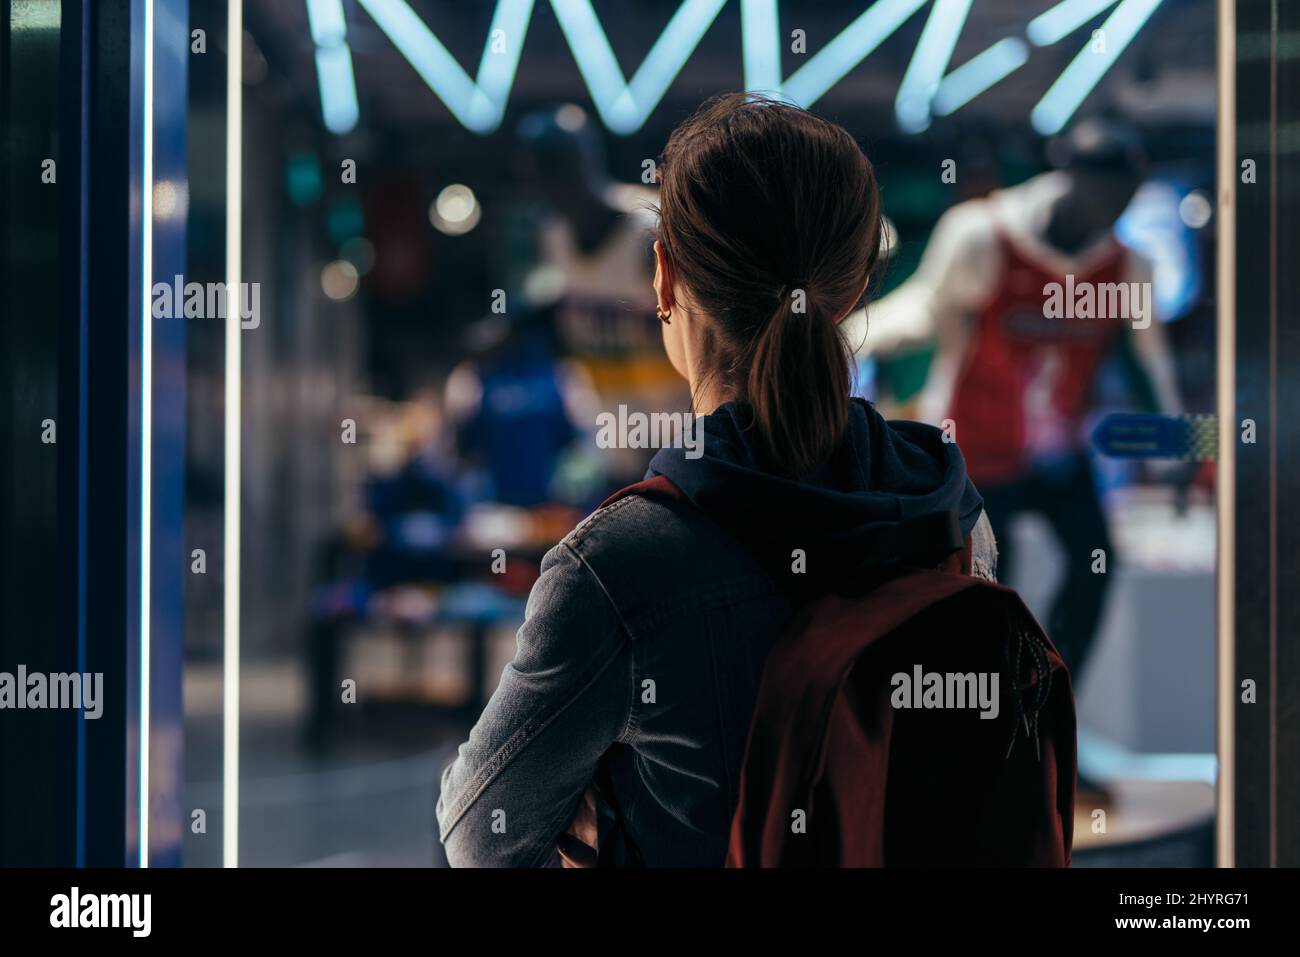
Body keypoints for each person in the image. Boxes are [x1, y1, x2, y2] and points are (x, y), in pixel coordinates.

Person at [436, 93, 995, 867]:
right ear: (859, 284)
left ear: (662, 279)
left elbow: (479, 835)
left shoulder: (617, 567)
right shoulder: (956, 511)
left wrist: (611, 809)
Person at [845, 116, 1182, 690]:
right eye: (1101, 194)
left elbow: (1150, 362)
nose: (1110, 209)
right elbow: (925, 310)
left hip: (1056, 456)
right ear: (1068, 176)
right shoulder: (983, 235)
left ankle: (1050, 703)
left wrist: (1179, 452)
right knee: (988, 593)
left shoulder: (1127, 265)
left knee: (1094, 563)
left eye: (1122, 198)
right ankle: (990, 724)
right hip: (973, 454)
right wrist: (844, 338)